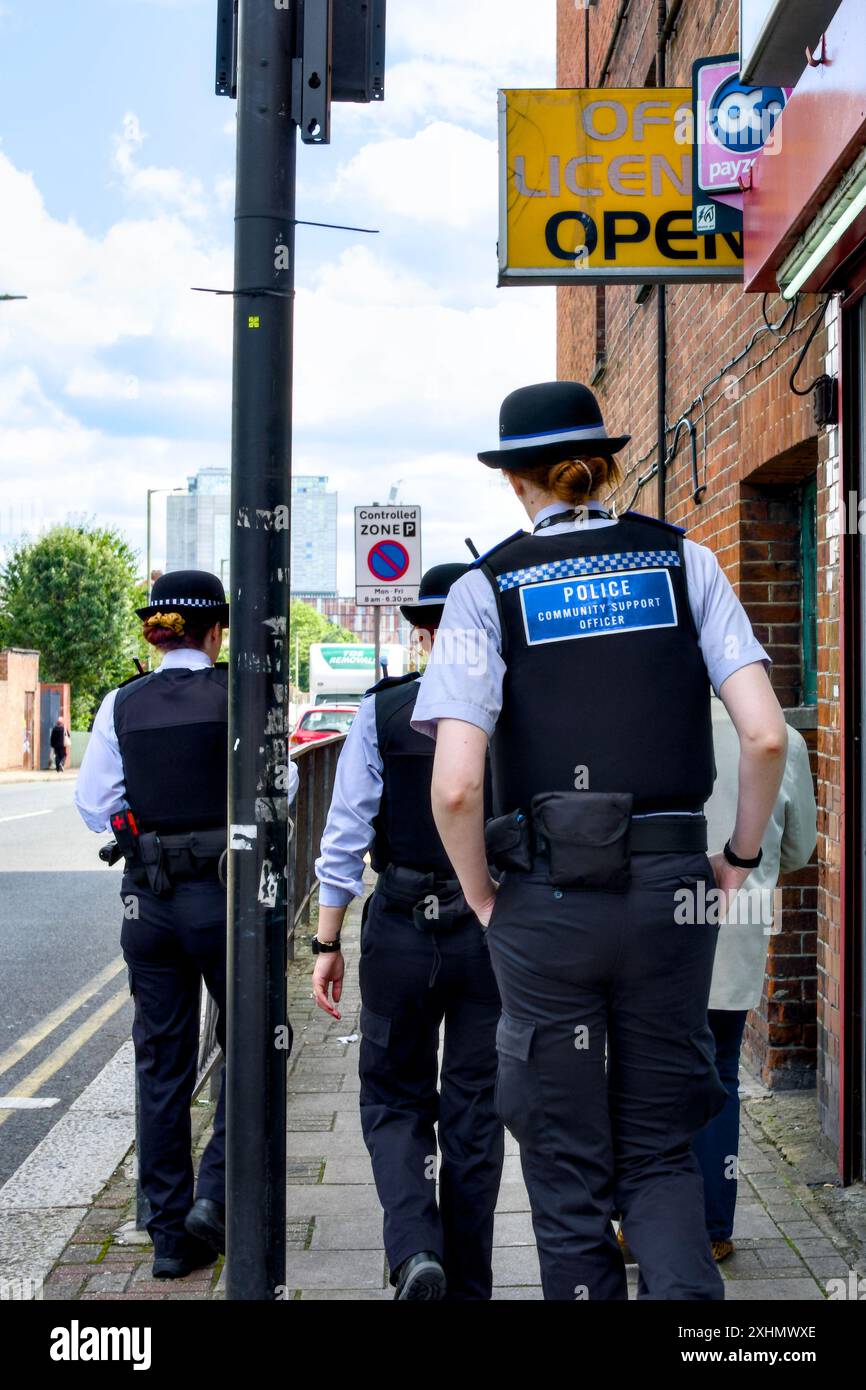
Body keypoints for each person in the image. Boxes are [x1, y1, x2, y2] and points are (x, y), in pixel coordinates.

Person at [412, 381, 789, 1301]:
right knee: (660, 1152)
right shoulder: (685, 562)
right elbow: (766, 734)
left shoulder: (482, 588)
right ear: (607, 465)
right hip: (669, 894)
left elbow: (456, 784)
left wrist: (484, 898)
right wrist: (734, 862)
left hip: (545, 902)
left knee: (566, 1164)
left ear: (514, 482)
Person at [312, 564, 504, 1301]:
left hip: (396, 928)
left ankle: (416, 1250)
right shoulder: (507, 711)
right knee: (476, 1108)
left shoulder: (382, 710)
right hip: (489, 928)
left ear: (423, 632)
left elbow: (344, 834)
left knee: (393, 1094)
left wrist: (327, 943)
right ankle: (471, 1286)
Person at [74, 571, 231, 1279]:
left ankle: (169, 1236)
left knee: (160, 1065)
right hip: (225, 899)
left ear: (158, 632)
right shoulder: (238, 694)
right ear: (217, 631)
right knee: (252, 1047)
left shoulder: (121, 703)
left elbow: (95, 803)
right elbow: (281, 786)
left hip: (149, 900)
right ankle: (218, 1200)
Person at [692, 694, 817, 1261]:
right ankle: (714, 1227)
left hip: (656, 926)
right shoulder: (784, 740)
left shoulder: (659, 722)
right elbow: (798, 847)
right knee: (719, 1074)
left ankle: (635, 1220)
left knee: (644, 1075)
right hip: (735, 920)